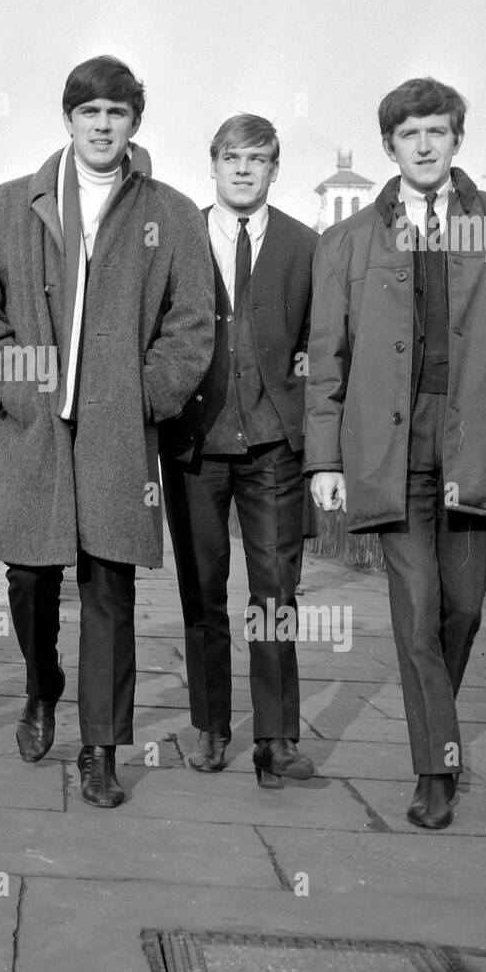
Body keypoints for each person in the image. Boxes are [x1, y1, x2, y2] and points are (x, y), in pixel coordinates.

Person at [0, 56, 215, 807]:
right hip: (34, 428)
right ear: (67, 119)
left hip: (116, 436)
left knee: (109, 588)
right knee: (29, 577)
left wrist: (140, 395)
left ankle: (100, 745)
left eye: (118, 113)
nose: (103, 125)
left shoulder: (172, 212)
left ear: (136, 123)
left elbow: (191, 325)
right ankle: (41, 685)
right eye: (90, 112)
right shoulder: (8, 205)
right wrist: (25, 390)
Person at [305, 77, 486, 829]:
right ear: (390, 145)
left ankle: (434, 734)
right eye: (410, 134)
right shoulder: (347, 242)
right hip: (389, 450)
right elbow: (328, 362)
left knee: (464, 610)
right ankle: (437, 769)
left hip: (475, 441)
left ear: (457, 141)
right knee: (416, 613)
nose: (424, 145)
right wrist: (325, 461)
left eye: (438, 132)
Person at [160, 115, 319, 787]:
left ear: (274, 168)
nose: (245, 169)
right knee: (202, 590)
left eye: (258, 159)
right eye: (233, 157)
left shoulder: (304, 245)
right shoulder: (177, 237)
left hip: (275, 448)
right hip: (196, 445)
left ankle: (278, 738)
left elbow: (321, 346)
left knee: (275, 594)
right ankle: (212, 726)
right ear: (215, 164)